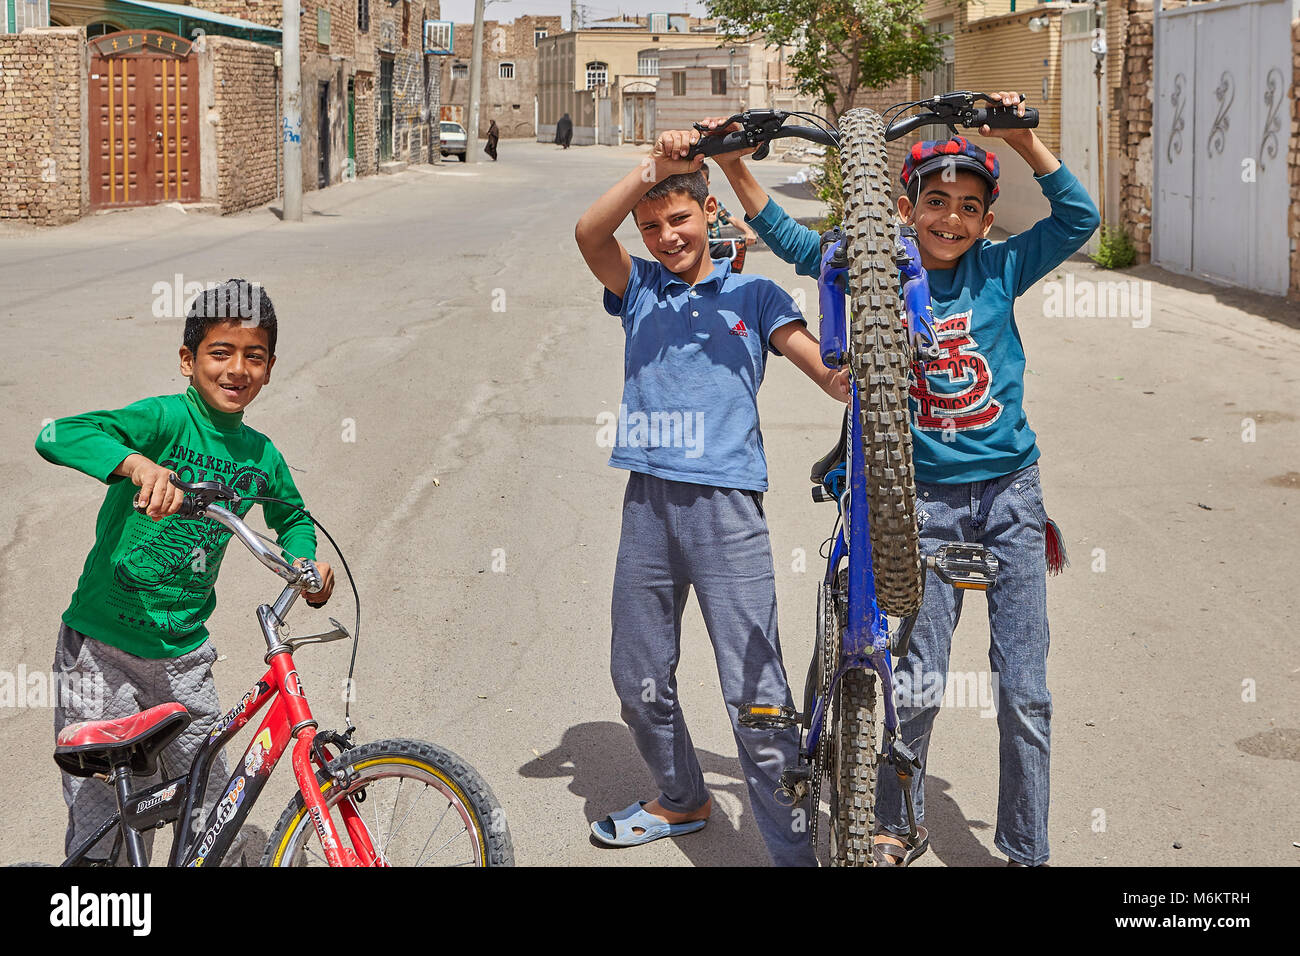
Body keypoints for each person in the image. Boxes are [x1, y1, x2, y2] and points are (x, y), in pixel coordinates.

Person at [694, 92, 1100, 866]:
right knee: (914, 679)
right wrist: (735, 168)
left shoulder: (999, 267)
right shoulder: (879, 263)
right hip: (920, 498)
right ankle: (893, 821)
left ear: (987, 219)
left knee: (1026, 690)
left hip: (1010, 494)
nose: (951, 219)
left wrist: (1022, 143)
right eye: (936, 202)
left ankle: (1025, 849)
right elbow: (788, 237)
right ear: (905, 208)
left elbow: (1078, 221)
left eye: (970, 207)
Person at [574, 130, 851, 866]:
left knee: (756, 698)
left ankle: (795, 857)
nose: (667, 236)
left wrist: (866, 367)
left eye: (680, 220)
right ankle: (682, 796)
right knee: (636, 676)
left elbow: (825, 371)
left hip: (728, 510)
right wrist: (652, 171)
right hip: (648, 504)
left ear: (711, 214)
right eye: (653, 225)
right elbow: (587, 232)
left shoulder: (753, 294)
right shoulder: (637, 287)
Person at [36, 278, 336, 864]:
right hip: (102, 650)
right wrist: (134, 463)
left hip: (185, 661)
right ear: (188, 361)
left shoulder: (260, 456)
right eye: (220, 353)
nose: (237, 369)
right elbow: (56, 434)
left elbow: (292, 516)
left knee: (213, 808)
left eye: (254, 356)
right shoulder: (165, 420)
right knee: (111, 820)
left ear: (270, 368)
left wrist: (304, 561)